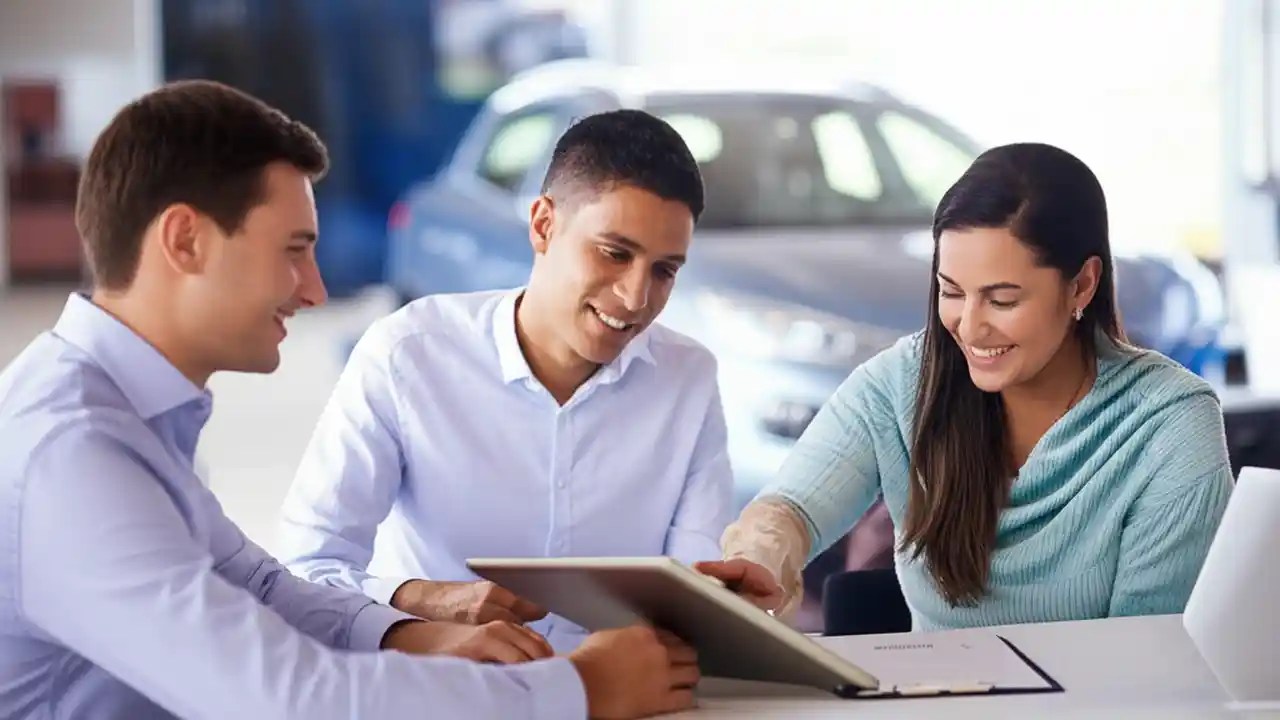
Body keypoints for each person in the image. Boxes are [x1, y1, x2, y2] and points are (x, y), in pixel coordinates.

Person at [0, 79, 699, 720]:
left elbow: (264, 588)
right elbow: (288, 698)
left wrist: (412, 636)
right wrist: (578, 689)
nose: (314, 290)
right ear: (185, 241)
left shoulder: (127, 415)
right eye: (294, 250)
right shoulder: (73, 449)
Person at [698, 143, 1234, 630]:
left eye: (1002, 300)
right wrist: (759, 558)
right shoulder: (902, 382)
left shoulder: (1170, 425)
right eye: (951, 292)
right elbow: (791, 508)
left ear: (1083, 284)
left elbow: (1152, 662)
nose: (970, 328)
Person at [276, 108, 733, 653]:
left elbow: (692, 599)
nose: (636, 298)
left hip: (629, 701)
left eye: (665, 271)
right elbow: (306, 568)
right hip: (445, 695)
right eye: (615, 254)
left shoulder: (689, 380)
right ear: (543, 224)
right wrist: (422, 602)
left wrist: (729, 598)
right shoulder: (408, 354)